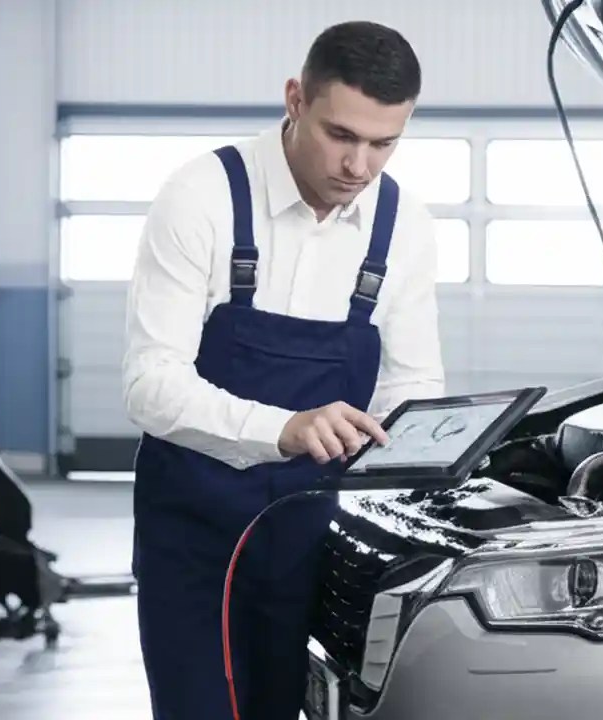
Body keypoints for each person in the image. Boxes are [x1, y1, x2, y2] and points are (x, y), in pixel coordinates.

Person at [122, 20, 445, 720]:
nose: (359, 166)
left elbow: (412, 387)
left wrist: (434, 450)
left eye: (383, 144)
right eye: (341, 135)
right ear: (296, 98)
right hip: (193, 535)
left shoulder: (405, 224)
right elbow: (149, 385)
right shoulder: (202, 196)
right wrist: (289, 428)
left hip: (308, 538)